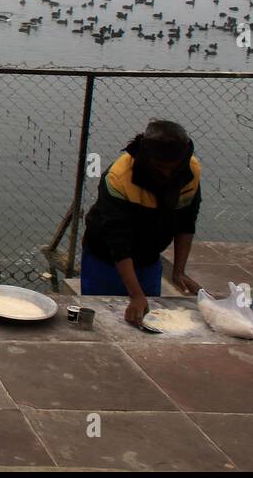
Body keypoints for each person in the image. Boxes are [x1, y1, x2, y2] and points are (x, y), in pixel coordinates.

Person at [80, 119, 202, 325]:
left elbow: (186, 222)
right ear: (146, 155)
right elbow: (117, 241)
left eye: (173, 167)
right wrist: (136, 294)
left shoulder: (191, 171)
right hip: (105, 260)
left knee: (150, 321)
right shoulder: (119, 177)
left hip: (149, 259)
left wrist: (179, 270)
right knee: (102, 320)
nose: (167, 173)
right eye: (160, 167)